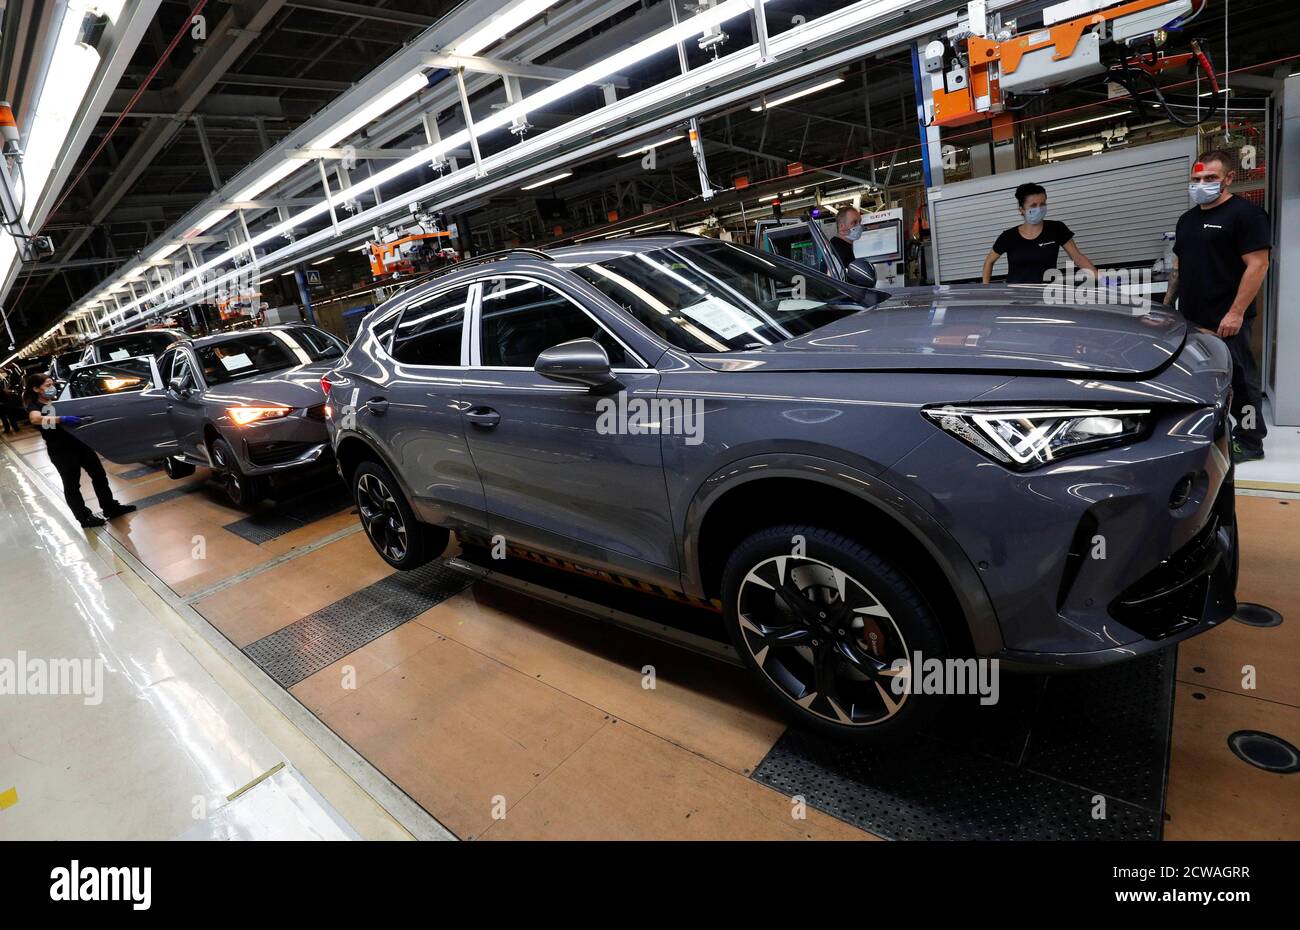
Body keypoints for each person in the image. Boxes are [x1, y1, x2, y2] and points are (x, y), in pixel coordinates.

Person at [1165, 149, 1271, 462]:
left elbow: (1258, 265)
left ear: (1228, 178)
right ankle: (1209, 427)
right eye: (1196, 178)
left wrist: (1236, 313)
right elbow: (1179, 267)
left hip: (1227, 319)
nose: (1201, 184)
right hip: (1192, 318)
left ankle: (1251, 440)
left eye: (1210, 178)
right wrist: (1168, 307)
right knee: (1198, 377)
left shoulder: (1246, 215)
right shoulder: (1187, 220)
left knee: (1242, 382)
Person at [23, 372, 136, 528]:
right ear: (36, 389)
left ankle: (110, 507)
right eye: (47, 385)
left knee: (99, 475)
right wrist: (62, 419)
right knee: (72, 485)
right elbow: (35, 418)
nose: (52, 388)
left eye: (52, 384)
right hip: (61, 451)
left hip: (81, 444)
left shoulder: (60, 402)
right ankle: (84, 518)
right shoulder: (34, 406)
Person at [982, 183, 1097, 284]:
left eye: (1042, 204)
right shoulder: (1008, 236)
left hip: (1048, 295)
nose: (1039, 209)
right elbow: (989, 261)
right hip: (1017, 298)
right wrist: (985, 290)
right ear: (1021, 210)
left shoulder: (1057, 228)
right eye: (1033, 205)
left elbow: (1078, 258)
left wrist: (1104, 280)